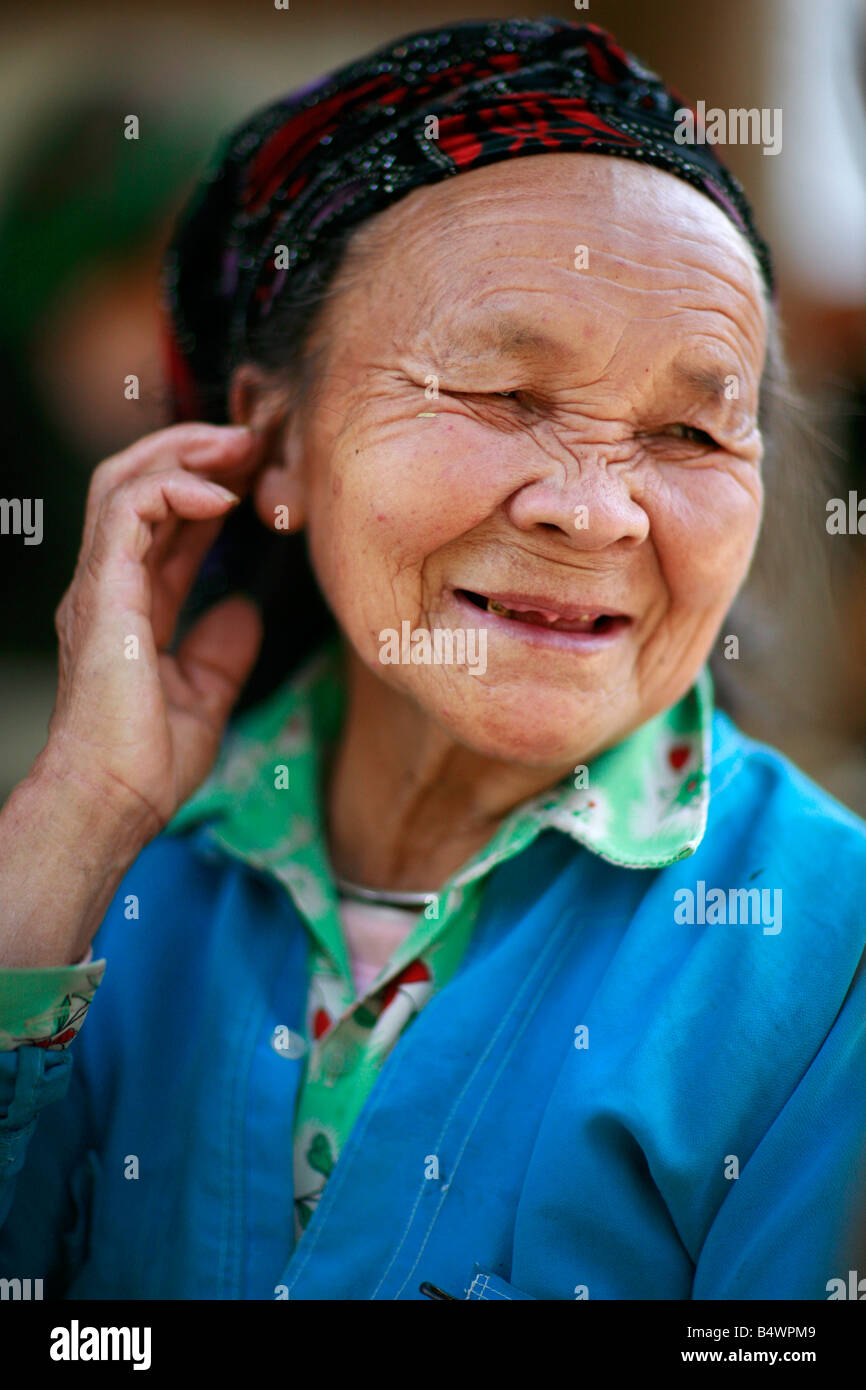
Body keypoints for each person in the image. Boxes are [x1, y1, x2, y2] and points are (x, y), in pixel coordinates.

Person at [1, 17, 864, 1302]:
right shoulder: (120, 871)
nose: (596, 510)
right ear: (273, 444)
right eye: (502, 395)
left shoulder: (826, 949)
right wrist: (73, 827)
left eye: (688, 429)